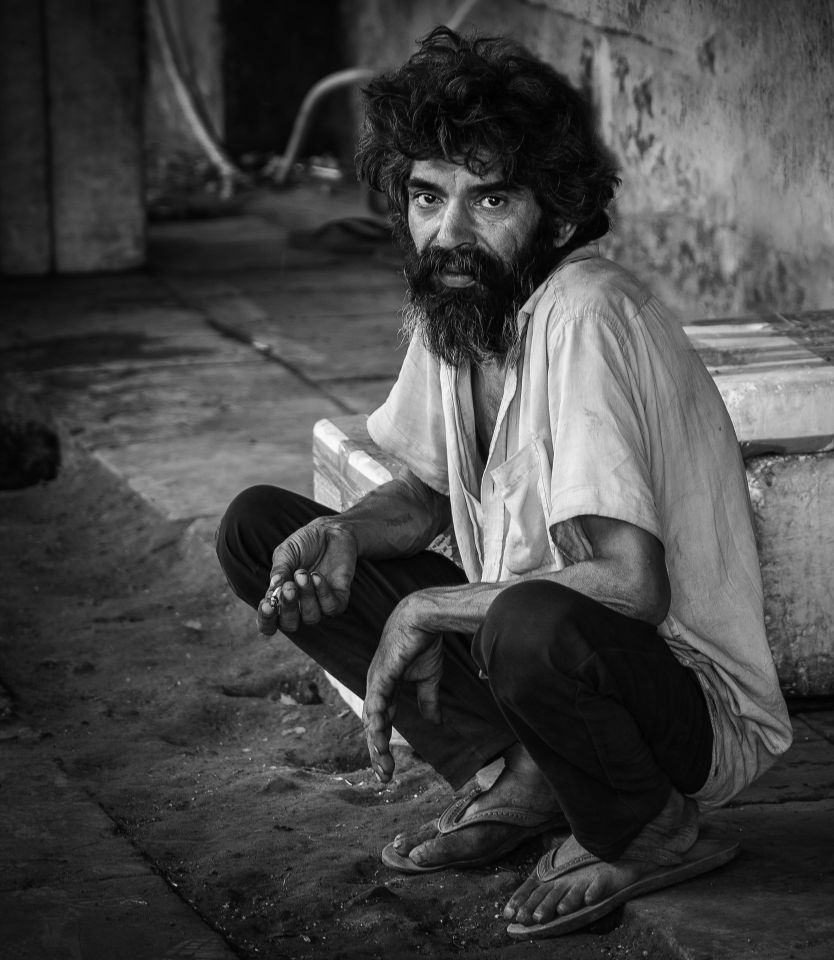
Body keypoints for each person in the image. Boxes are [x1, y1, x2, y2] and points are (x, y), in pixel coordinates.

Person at [216, 26, 791, 940]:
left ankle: (651, 829)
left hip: (674, 704)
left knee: (527, 622)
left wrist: (427, 609)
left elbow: (630, 586)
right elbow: (428, 495)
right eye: (427, 196)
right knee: (259, 527)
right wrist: (352, 534)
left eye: (490, 198)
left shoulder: (586, 312)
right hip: (536, 668)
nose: (449, 232)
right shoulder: (460, 304)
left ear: (557, 216)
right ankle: (516, 777)